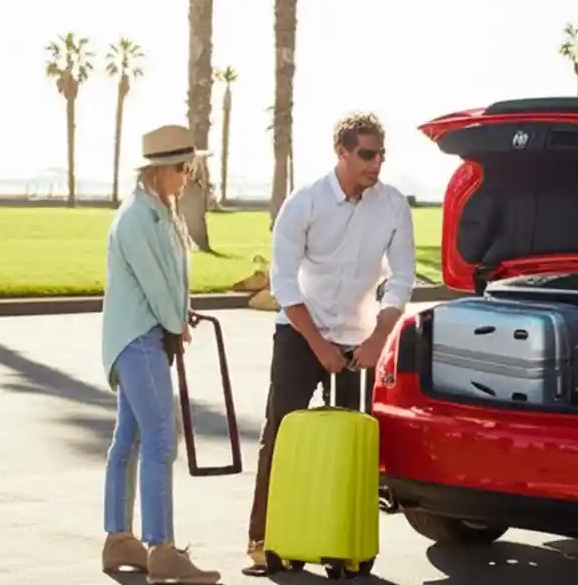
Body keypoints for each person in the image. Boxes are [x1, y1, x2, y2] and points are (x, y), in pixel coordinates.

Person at [243, 111, 417, 576]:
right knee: (281, 432)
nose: (375, 163)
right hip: (301, 334)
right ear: (341, 152)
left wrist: (379, 338)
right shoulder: (304, 203)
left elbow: (402, 277)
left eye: (380, 154)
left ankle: (342, 543)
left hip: (360, 340)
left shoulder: (393, 205)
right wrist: (318, 345)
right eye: (366, 154)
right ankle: (265, 540)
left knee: (349, 445)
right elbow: (283, 284)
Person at [99, 124, 221, 585]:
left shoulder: (157, 211)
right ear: (159, 170)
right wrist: (176, 325)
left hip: (141, 336)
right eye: (182, 167)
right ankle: (162, 549)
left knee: (128, 438)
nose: (188, 175)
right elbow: (153, 282)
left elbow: (169, 278)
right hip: (139, 338)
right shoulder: (137, 218)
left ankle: (118, 540)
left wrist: (180, 313)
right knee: (159, 440)